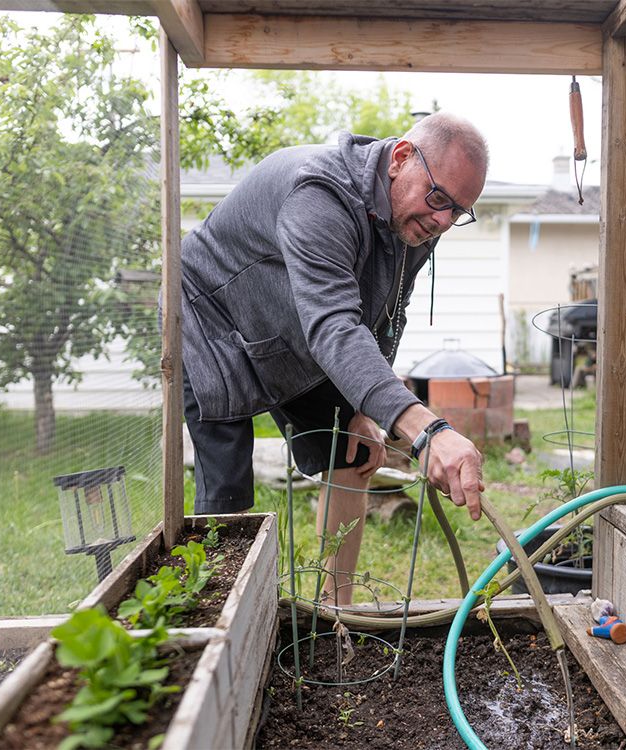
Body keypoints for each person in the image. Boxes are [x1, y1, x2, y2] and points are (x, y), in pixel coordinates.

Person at [180, 112, 489, 604]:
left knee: (355, 452)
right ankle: (221, 625)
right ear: (402, 158)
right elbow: (333, 326)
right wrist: (427, 429)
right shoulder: (319, 193)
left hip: (292, 321)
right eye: (439, 200)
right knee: (228, 494)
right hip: (211, 318)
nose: (443, 222)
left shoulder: (412, 223)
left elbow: (386, 317)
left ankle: (336, 611)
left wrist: (365, 410)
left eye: (459, 212)